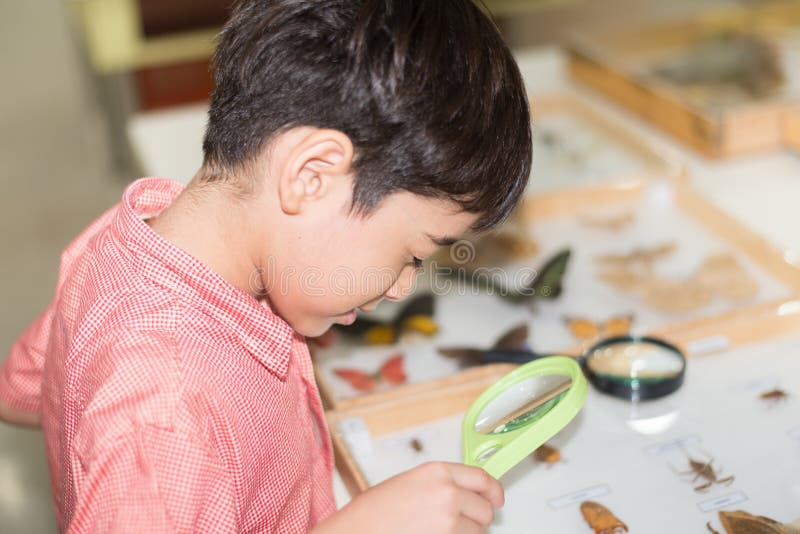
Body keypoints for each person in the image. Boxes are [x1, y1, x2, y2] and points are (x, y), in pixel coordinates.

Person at [0, 0, 532, 531]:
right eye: (413, 254)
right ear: (311, 176)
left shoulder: (129, 239)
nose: (402, 287)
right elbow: (140, 410)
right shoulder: (163, 409)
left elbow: (25, 391)